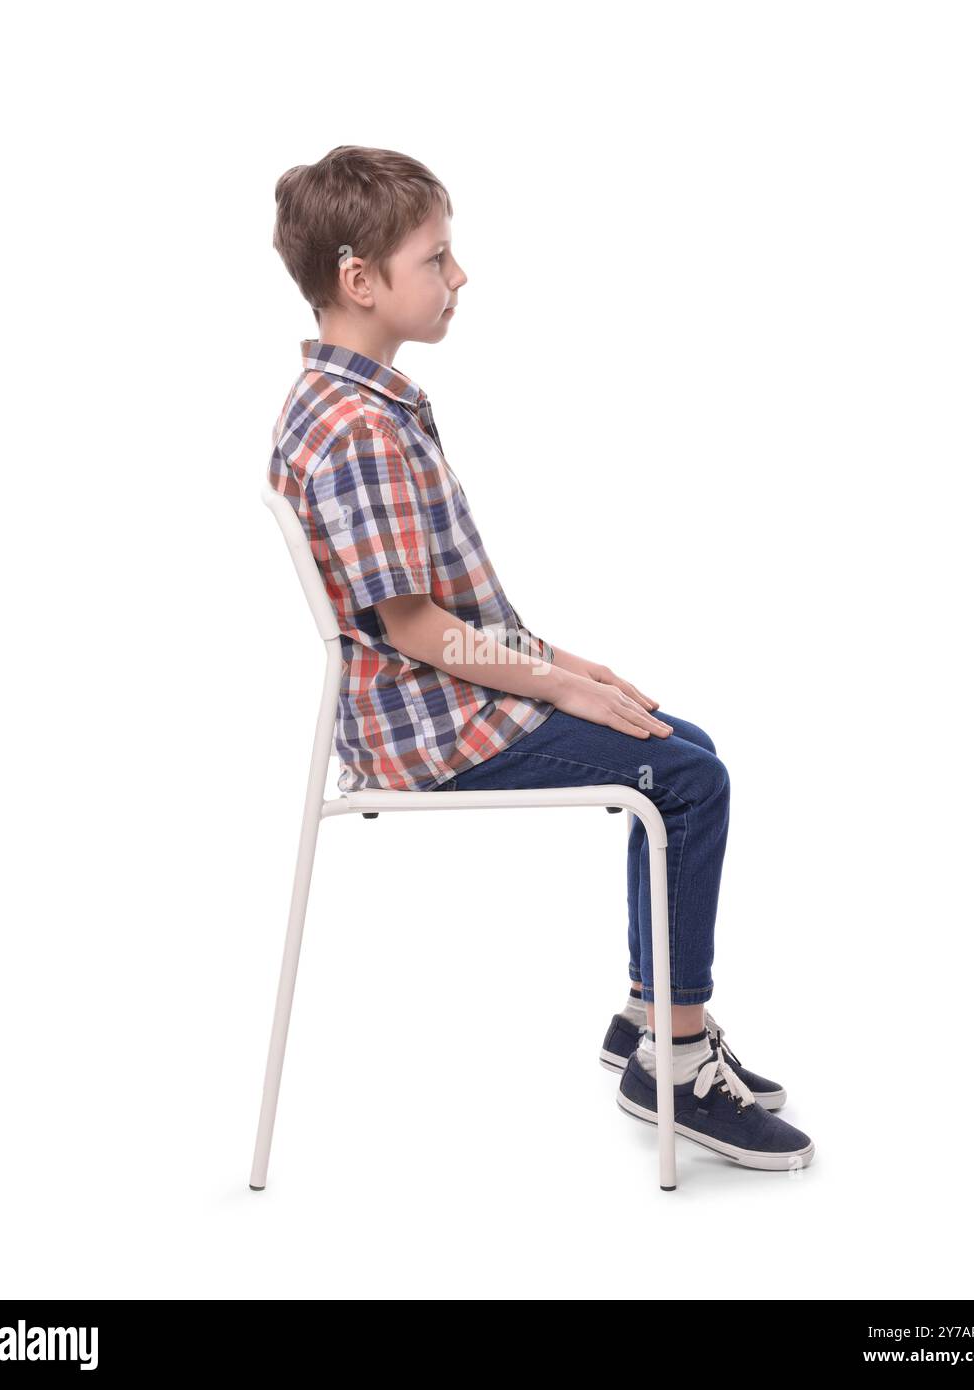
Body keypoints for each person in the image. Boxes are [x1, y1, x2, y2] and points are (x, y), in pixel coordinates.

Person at [267, 145, 814, 1172]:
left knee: (679, 744)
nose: (459, 275)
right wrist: (559, 685)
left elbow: (440, 610)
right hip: (432, 727)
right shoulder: (359, 431)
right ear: (361, 280)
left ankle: (650, 1015)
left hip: (436, 699)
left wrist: (574, 664)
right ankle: (674, 1062)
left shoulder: (350, 401)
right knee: (688, 781)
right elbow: (414, 628)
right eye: (436, 258)